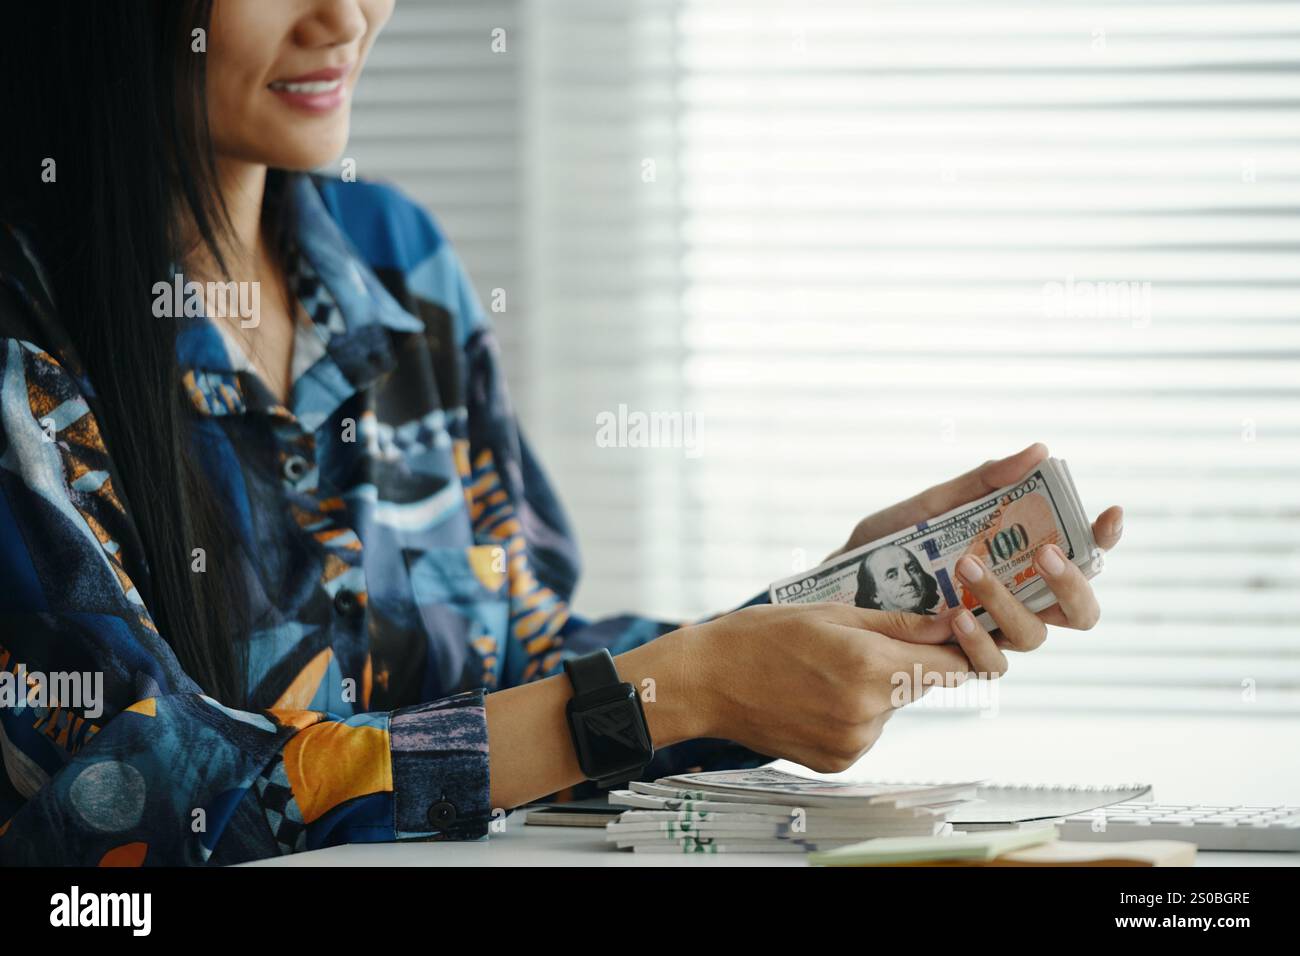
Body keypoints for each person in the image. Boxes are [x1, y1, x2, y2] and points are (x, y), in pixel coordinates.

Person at [0, 1, 1124, 866]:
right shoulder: (24, 332)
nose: (345, 16)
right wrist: (686, 687)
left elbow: (518, 670)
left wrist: (829, 607)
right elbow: (140, 803)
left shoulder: (396, 260)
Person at [854, 545, 941, 615]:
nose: (908, 580)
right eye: (891, 576)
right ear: (875, 596)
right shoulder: (872, 636)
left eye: (912, 569)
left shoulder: (941, 622)